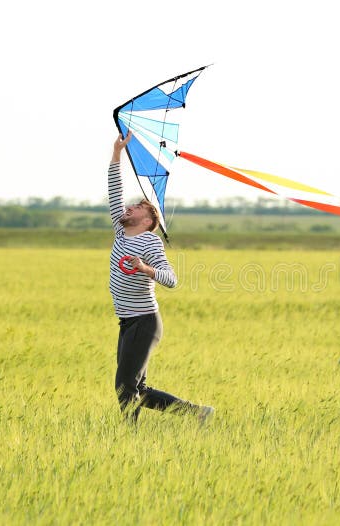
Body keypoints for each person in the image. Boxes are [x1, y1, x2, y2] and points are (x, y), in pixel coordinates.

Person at [108, 133, 213, 425]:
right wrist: (117, 153)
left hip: (144, 322)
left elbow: (171, 279)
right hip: (127, 323)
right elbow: (114, 189)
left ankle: (128, 436)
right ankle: (198, 413)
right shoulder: (120, 231)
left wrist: (146, 269)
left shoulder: (150, 242)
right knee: (136, 389)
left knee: (125, 386)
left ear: (147, 220)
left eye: (136, 208)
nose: (128, 207)